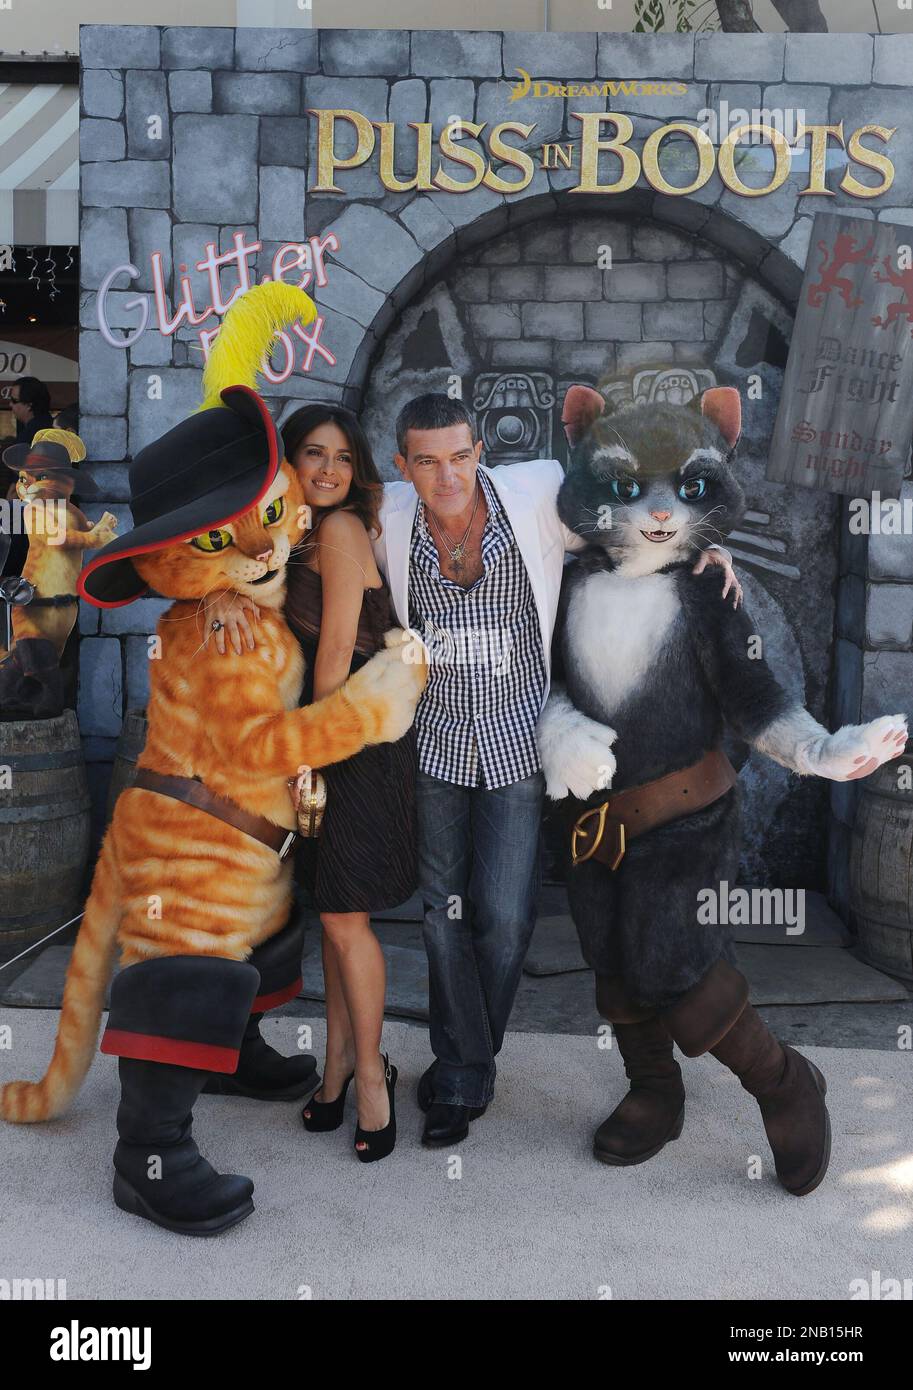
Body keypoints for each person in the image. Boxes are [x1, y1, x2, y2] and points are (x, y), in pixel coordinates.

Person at [210, 391, 740, 1150]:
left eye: (459, 456)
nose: (446, 475)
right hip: (431, 749)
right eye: (426, 461)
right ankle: (461, 1075)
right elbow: (283, 546)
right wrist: (220, 595)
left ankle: (468, 1056)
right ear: (402, 468)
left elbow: (619, 517)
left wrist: (700, 551)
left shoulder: (533, 497)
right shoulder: (382, 514)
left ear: (478, 452)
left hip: (517, 746)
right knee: (441, 914)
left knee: (505, 916)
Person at [206, 403, 417, 1164]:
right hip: (322, 736)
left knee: (344, 920)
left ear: (357, 470)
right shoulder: (293, 535)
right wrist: (226, 594)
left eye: (341, 458)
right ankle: (333, 1071)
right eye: (311, 455)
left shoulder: (339, 529)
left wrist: (305, 758)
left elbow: (331, 661)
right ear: (288, 464)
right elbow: (248, 592)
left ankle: (370, 1081)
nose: (327, 470)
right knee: (332, 912)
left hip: (350, 738)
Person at [9, 376, 53, 446]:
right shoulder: (48, 424)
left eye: (14, 401)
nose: (10, 404)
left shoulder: (30, 436)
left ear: (29, 405)